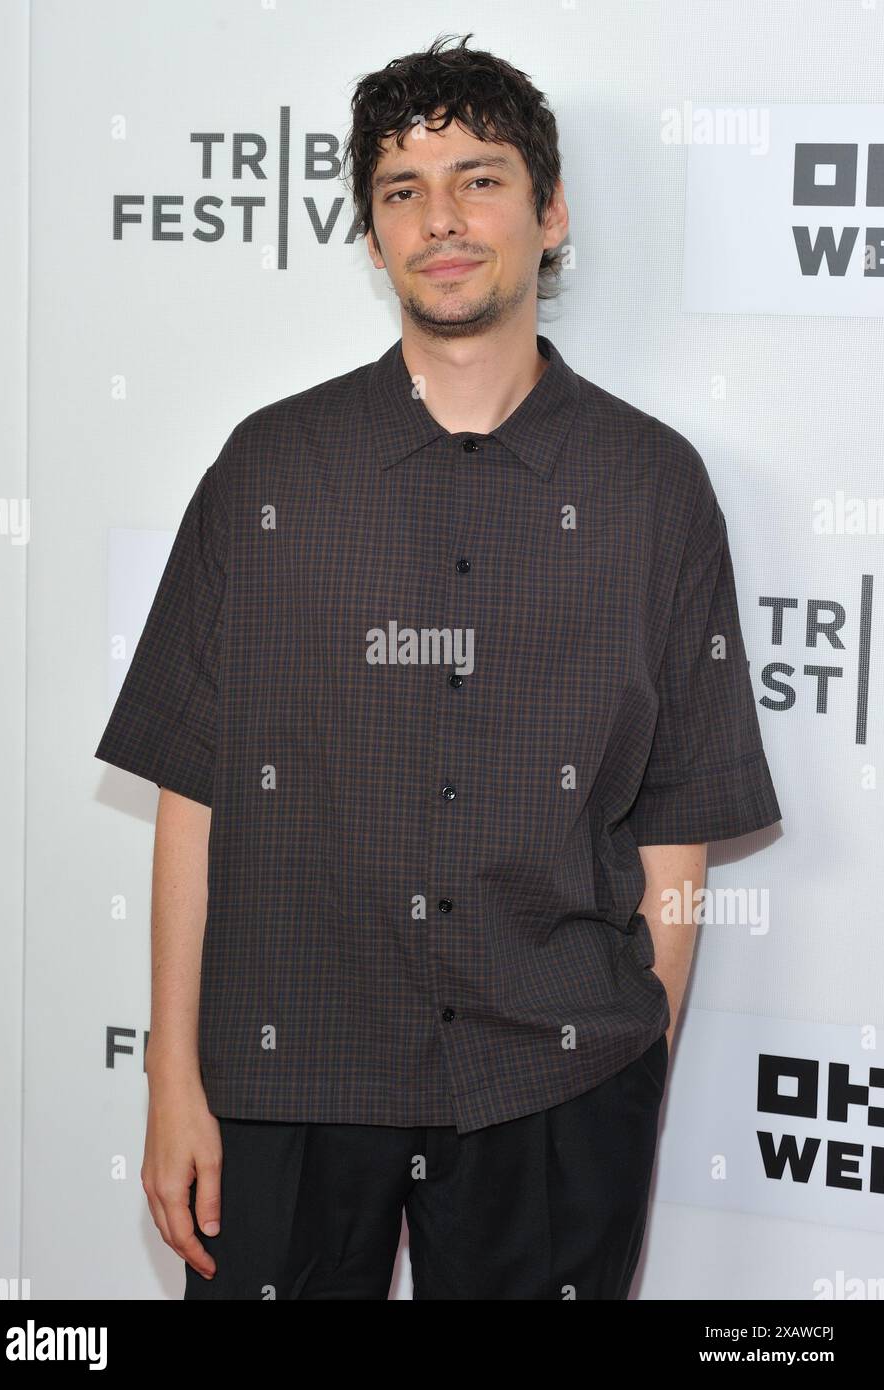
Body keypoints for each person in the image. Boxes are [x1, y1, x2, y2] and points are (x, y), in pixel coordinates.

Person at [94, 32, 782, 1300]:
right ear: (370, 232)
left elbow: (680, 824)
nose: (442, 219)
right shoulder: (268, 473)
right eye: (404, 191)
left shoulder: (651, 488)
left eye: (479, 178)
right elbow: (191, 800)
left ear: (550, 211)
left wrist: (639, 1057)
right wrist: (173, 1079)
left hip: (555, 1082)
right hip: (288, 1069)